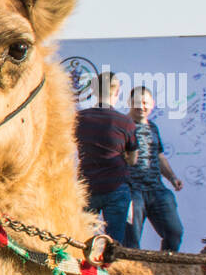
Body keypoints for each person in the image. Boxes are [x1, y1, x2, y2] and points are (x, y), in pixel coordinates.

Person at [75, 70, 137, 239]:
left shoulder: (79, 118)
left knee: (84, 240)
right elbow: (133, 159)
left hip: (87, 187)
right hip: (116, 187)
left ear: (93, 92)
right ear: (117, 92)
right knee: (114, 242)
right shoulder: (125, 122)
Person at [124, 85, 184, 250]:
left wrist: (172, 178)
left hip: (157, 189)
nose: (141, 107)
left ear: (152, 104)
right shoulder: (122, 126)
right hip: (132, 190)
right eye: (137, 102)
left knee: (174, 232)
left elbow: (159, 155)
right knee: (130, 242)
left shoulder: (153, 127)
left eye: (145, 103)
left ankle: (164, 269)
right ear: (129, 103)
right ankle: (131, 270)